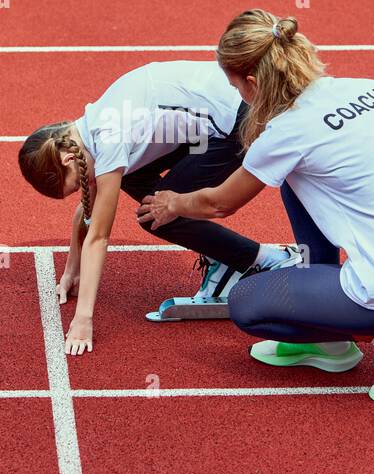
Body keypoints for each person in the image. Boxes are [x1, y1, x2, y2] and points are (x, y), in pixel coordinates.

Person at [137, 11, 374, 405]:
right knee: (294, 183)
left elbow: (219, 203)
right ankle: (330, 345)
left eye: (235, 86)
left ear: (253, 82)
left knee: (247, 305)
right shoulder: (372, 88)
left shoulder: (288, 131)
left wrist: (173, 201)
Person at [18, 60, 298, 354]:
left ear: (65, 159)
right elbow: (89, 204)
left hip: (238, 120)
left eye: (76, 183)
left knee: (158, 215)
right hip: (207, 118)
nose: (83, 187)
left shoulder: (108, 137)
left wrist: (83, 320)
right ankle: (226, 261)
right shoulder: (88, 128)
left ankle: (267, 259)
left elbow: (98, 235)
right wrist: (72, 270)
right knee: (135, 184)